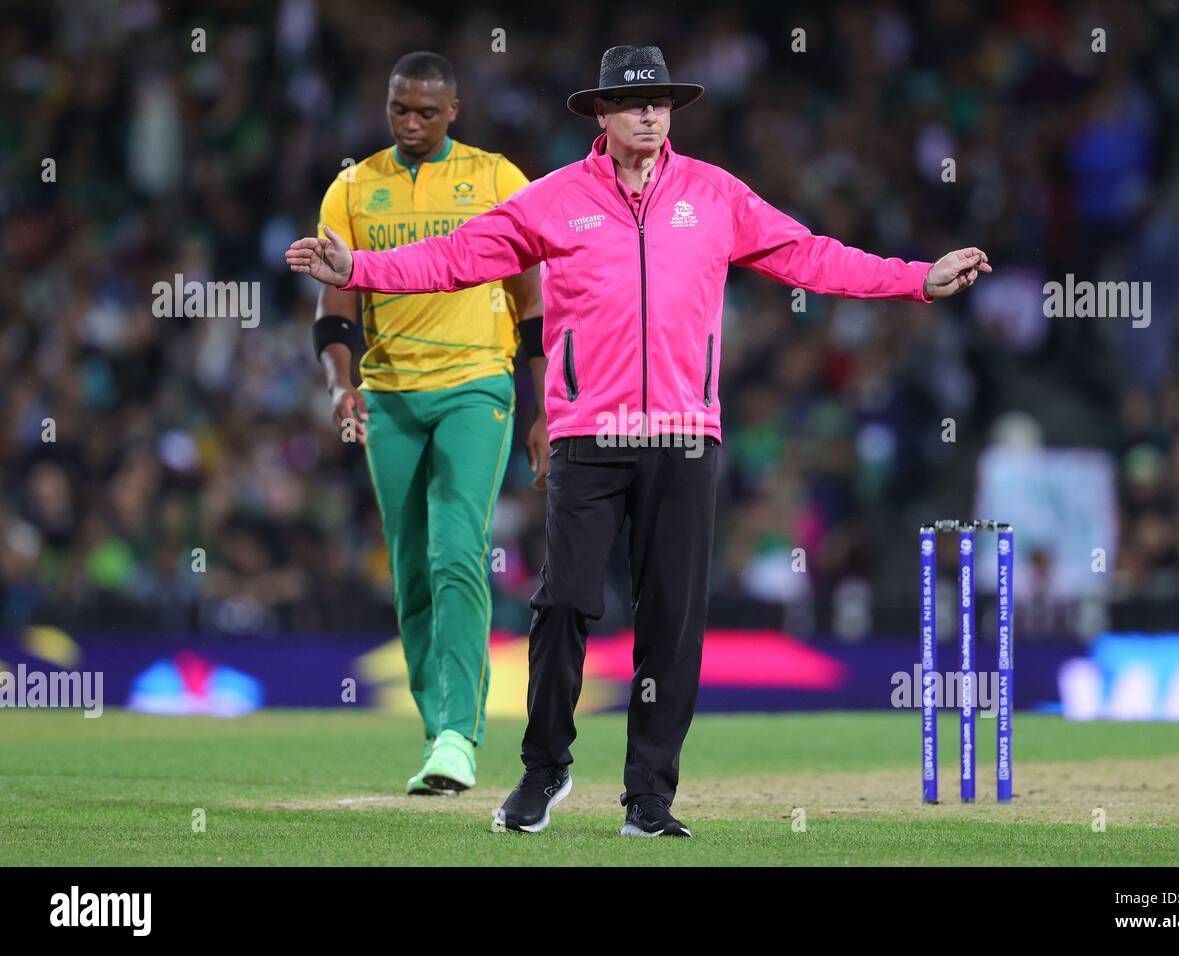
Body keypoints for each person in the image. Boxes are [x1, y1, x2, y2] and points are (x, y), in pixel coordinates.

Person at [287, 45, 990, 836]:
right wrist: (363, 265)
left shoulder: (714, 194)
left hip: (686, 436)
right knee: (562, 604)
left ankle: (649, 800)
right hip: (590, 434)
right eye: (632, 102)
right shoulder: (555, 200)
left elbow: (808, 257)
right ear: (601, 115)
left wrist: (914, 278)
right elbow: (457, 258)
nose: (650, 113)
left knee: (673, 624)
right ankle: (543, 772)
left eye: (660, 100)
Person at [311, 51, 548, 797]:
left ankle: (460, 736)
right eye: (398, 110)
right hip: (390, 396)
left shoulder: (499, 179)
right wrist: (339, 387)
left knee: (456, 550)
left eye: (425, 112)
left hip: (477, 385)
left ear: (454, 112)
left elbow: (534, 302)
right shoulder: (353, 187)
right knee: (410, 570)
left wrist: (544, 406)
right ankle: (435, 726)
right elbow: (334, 309)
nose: (410, 124)